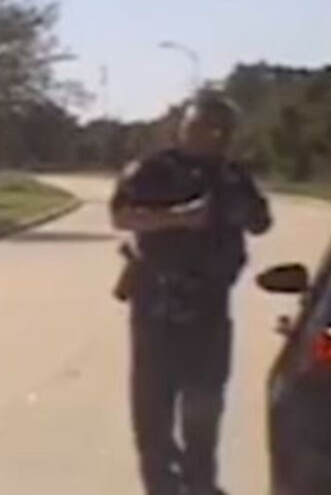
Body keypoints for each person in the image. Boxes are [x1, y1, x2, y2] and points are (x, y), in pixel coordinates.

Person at [110, 92, 272, 495]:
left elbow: (261, 222)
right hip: (157, 310)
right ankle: (162, 484)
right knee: (153, 415)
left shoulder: (233, 176)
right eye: (195, 126)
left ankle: (201, 483)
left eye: (213, 129)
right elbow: (121, 214)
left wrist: (242, 212)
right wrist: (177, 218)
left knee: (204, 412)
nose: (201, 136)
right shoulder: (153, 169)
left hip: (210, 311)